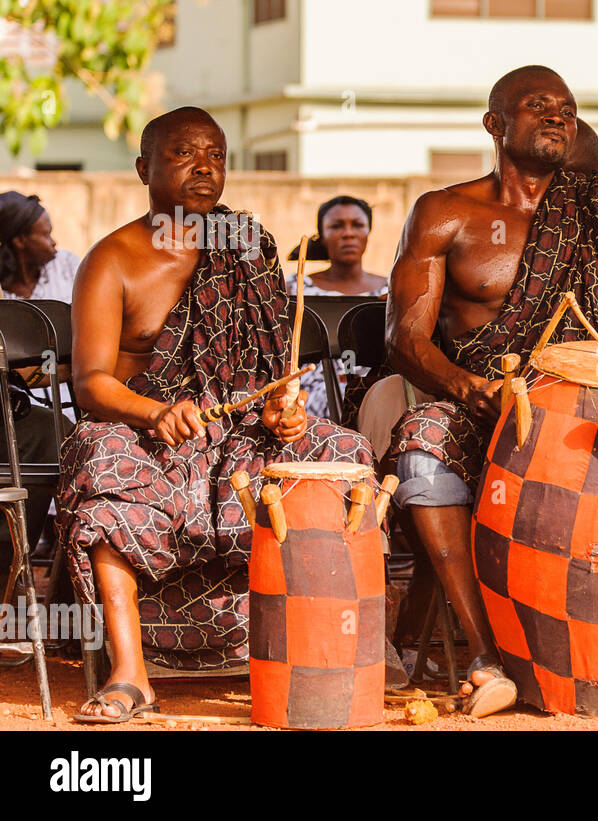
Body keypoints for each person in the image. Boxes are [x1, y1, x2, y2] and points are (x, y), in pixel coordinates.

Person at [380, 66, 598, 718]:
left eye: (568, 107)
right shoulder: (446, 212)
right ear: (495, 124)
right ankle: (487, 651)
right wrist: (469, 388)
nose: (558, 115)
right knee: (421, 448)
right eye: (538, 105)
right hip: (486, 405)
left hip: (592, 406)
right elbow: (404, 339)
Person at [58, 107, 375, 722]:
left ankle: (326, 647)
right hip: (144, 439)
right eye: (184, 154)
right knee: (99, 458)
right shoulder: (112, 259)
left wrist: (286, 410)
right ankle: (130, 675)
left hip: (238, 438)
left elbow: (270, 372)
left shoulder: (247, 250)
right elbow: (89, 381)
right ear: (143, 167)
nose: (205, 167)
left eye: (217, 154)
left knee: (342, 450)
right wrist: (155, 414)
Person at [0, 192, 77, 556]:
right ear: (18, 241)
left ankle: (31, 551)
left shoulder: (69, 268)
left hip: (59, 403)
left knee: (59, 430)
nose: (54, 242)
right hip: (18, 404)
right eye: (45, 234)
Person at [285, 195, 388, 421]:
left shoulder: (393, 289)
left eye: (358, 225)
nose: (348, 233)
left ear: (368, 232)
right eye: (336, 226)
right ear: (321, 236)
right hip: (306, 400)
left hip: (375, 393)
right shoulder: (294, 287)